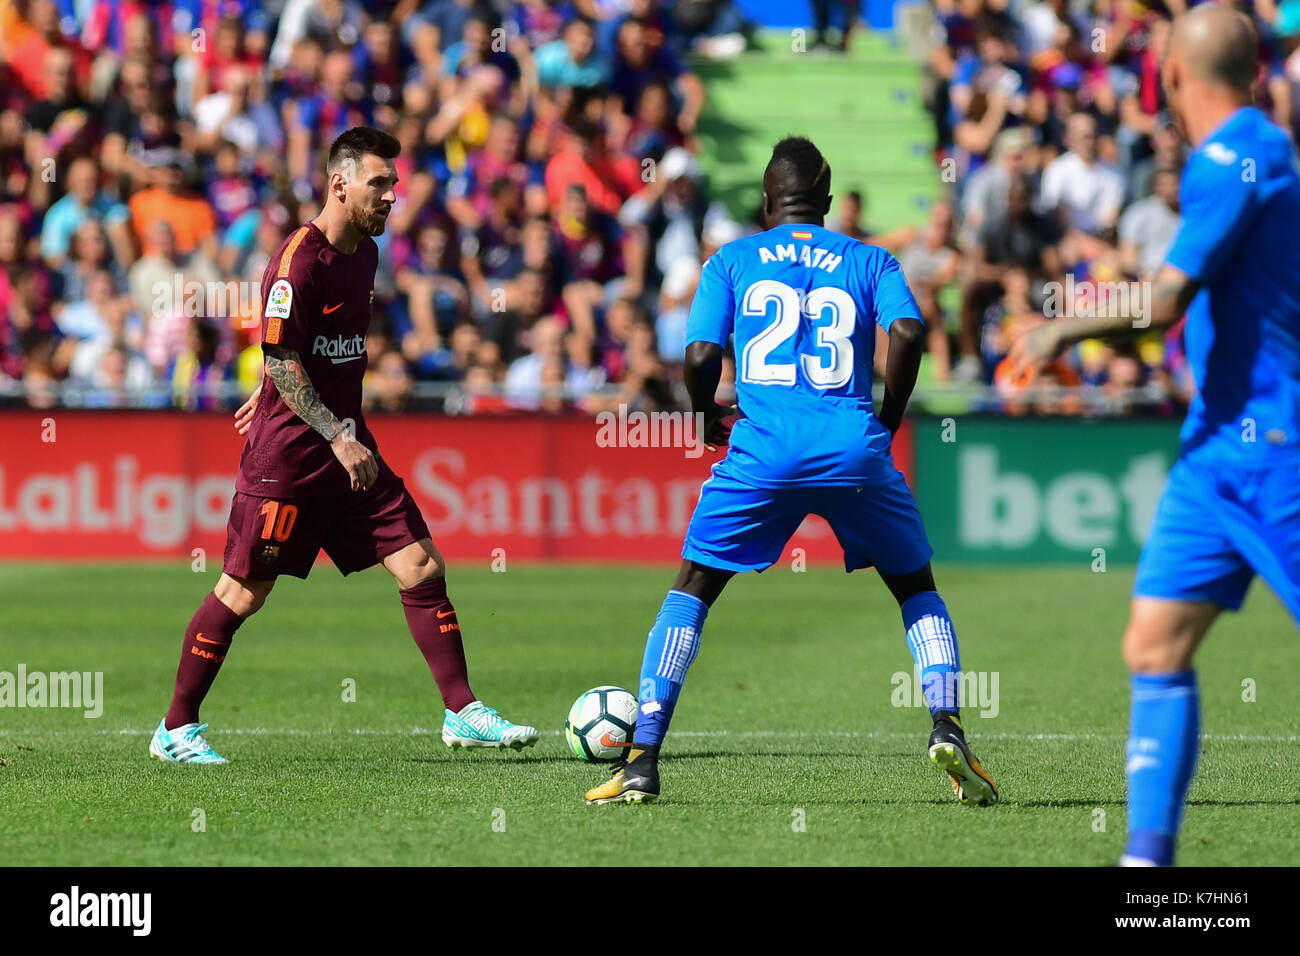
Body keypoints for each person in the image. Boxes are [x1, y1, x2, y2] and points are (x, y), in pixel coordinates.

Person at [584, 136, 999, 806]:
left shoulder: (732, 260)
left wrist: (700, 415)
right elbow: (913, 334)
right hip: (853, 447)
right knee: (915, 587)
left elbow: (696, 354)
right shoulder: (869, 257)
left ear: (766, 202)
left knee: (693, 587)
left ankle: (643, 758)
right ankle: (946, 724)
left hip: (763, 449)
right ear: (827, 204)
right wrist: (888, 418)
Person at [1010, 6, 1300, 866]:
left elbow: (1166, 300)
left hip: (1277, 452)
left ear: (1172, 74)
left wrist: (1061, 329)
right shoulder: (1252, 150)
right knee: (1153, 644)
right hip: (1214, 453)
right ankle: (1147, 867)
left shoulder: (1239, 156)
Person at [149, 127, 538, 764]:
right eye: (379, 183)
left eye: (394, 183)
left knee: (421, 566)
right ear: (340, 183)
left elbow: (298, 356)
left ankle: (462, 711)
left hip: (350, 449)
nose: (392, 195)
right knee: (244, 592)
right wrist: (322, 423)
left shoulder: (366, 254)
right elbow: (279, 352)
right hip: (294, 460)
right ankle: (176, 728)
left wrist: (294, 393)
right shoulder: (299, 260)